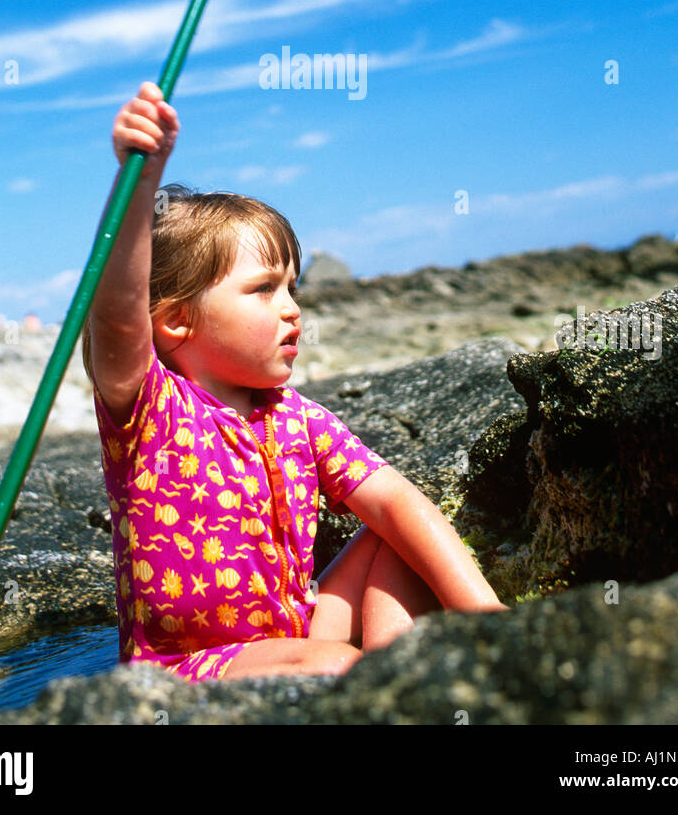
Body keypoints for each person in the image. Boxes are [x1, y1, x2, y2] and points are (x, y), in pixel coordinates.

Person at [83, 81, 509, 683]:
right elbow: (116, 314)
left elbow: (391, 501)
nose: (291, 310)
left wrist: (487, 618)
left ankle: (403, 678)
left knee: (399, 533)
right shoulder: (149, 408)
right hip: (183, 671)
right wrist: (138, 186)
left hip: (294, 635)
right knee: (333, 662)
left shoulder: (299, 417)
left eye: (293, 288)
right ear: (175, 319)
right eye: (263, 290)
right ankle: (378, 684)